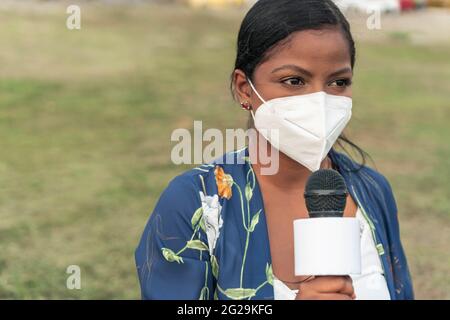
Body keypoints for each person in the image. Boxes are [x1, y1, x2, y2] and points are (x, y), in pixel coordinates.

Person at [135, 0, 414, 300]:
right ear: (245, 88)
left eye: (338, 81)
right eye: (294, 81)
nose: (319, 101)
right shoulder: (196, 204)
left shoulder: (372, 192)